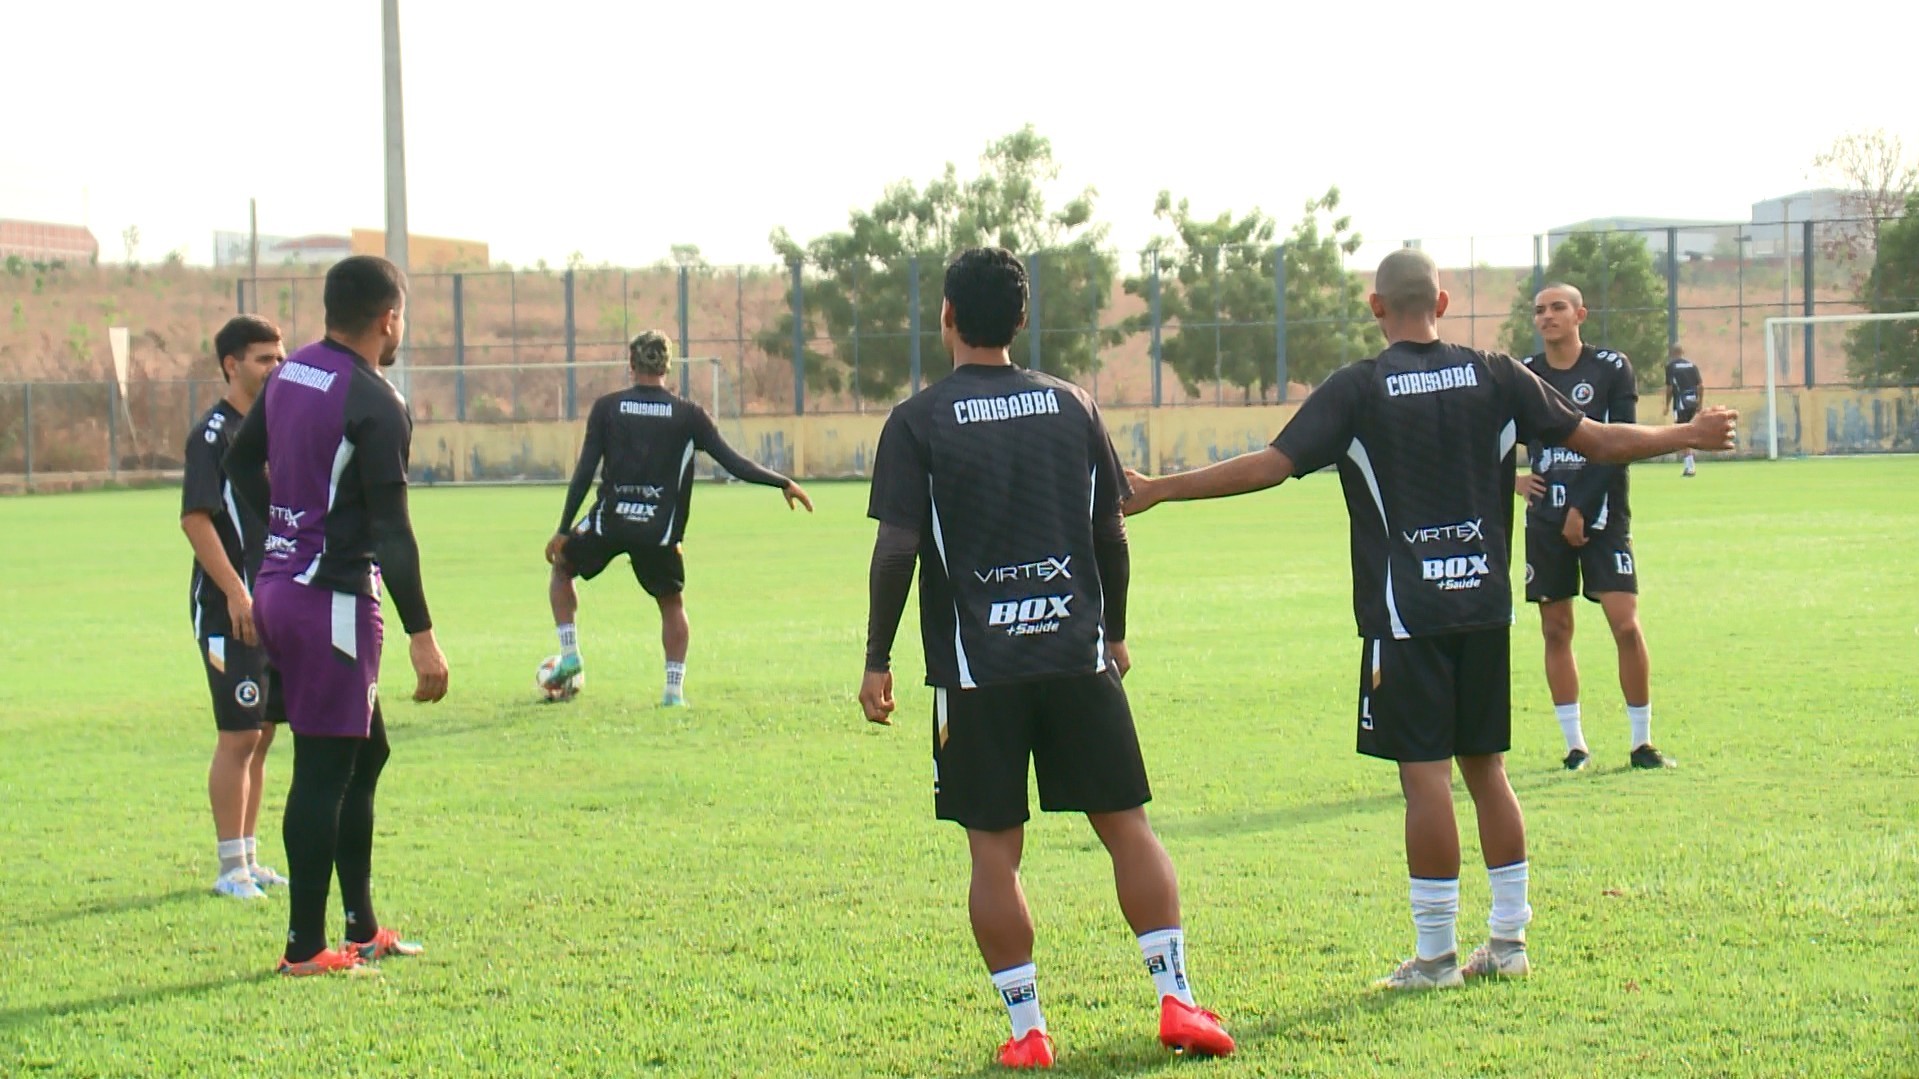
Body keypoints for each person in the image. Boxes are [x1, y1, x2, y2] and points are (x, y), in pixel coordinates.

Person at [1122, 249, 1736, 992]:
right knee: (1487, 772)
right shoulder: (1496, 372)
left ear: (1376, 307)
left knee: (1426, 783)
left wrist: (1159, 488)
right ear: (1442, 301)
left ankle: (1436, 956)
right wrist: (1688, 436)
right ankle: (1508, 941)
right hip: (1481, 606)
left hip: (1404, 616)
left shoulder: (1358, 387)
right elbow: (1597, 438)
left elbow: (1270, 465)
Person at [859, 248, 1234, 1068]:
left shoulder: (917, 420)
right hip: (1076, 655)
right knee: (1127, 828)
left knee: (994, 849)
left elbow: (897, 548)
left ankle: (1028, 1030)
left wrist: (876, 656)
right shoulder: (1072, 404)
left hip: (976, 669)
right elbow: (1112, 529)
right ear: (1021, 320)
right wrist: (1116, 630)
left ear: (947, 316)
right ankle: (1177, 999)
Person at [226, 254, 450, 977]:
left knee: (366, 753)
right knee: (324, 769)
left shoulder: (291, 374)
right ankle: (303, 948)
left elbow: (240, 462)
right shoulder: (377, 401)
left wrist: (287, 535)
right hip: (332, 604)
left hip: (282, 589)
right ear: (389, 318)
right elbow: (392, 529)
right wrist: (423, 634)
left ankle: (361, 925)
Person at [543, 330, 812, 706]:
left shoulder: (607, 408)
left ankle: (570, 655)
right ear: (668, 366)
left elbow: (585, 470)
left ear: (631, 364)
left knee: (562, 568)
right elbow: (733, 461)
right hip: (660, 530)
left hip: (610, 521)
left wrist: (562, 530)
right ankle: (673, 692)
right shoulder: (689, 416)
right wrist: (781, 481)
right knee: (671, 603)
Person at [1518, 284, 1673, 771]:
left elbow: (1620, 444)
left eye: (1557, 308)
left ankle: (1642, 742)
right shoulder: (1526, 374)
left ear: (1580, 314)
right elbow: (1487, 435)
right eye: (1540, 310)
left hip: (1603, 515)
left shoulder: (1610, 367)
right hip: (1545, 519)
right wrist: (1512, 479)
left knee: (1625, 624)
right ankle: (1575, 746)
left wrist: (1582, 508)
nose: (1547, 317)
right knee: (1555, 628)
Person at [180, 314, 287, 900]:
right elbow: (196, 519)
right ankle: (228, 869)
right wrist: (235, 591)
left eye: (280, 356)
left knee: (264, 731)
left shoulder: (272, 430)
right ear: (231, 365)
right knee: (238, 735)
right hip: (230, 609)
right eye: (263, 359)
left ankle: (250, 857)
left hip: (274, 604)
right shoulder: (213, 435)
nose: (276, 367)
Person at [1666, 344, 1705, 476]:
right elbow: (1700, 386)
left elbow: (1670, 388)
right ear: (1683, 352)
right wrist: (1700, 403)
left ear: (1672, 353)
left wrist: (1666, 405)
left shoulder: (1671, 367)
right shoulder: (1692, 365)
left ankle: (1690, 467)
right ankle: (1689, 464)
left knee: (1681, 435)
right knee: (1687, 433)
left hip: (1681, 403)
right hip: (1693, 402)